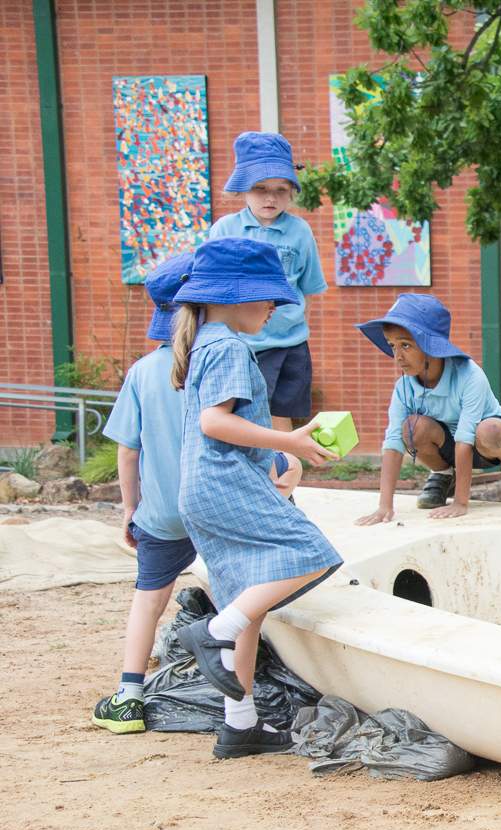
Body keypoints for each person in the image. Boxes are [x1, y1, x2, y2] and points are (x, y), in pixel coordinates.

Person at [91, 253, 301, 735]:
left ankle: (129, 694)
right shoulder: (216, 356)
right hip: (220, 502)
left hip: (163, 509)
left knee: (149, 599)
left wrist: (131, 507)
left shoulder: (146, 371)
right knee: (243, 602)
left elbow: (128, 450)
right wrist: (284, 461)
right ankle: (240, 712)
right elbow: (236, 431)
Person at [167, 238, 343, 759]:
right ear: (236, 297)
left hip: (202, 486)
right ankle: (214, 631)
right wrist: (289, 441)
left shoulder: (203, 342)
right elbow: (215, 422)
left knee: (249, 599)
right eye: (268, 298)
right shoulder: (228, 347)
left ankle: (239, 723)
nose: (274, 307)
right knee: (312, 553)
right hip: (222, 483)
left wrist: (272, 463)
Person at [353, 294, 501, 521]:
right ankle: (442, 475)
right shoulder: (403, 388)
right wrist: (384, 506)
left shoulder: (469, 375)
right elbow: (393, 443)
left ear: (430, 346)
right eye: (392, 346)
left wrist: (461, 503)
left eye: (406, 345)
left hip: (484, 443)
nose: (397, 356)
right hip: (447, 446)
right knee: (411, 427)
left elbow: (465, 437)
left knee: (490, 431)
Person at [208, 132, 327, 433]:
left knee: (281, 417)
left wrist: (291, 326)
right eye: (260, 188)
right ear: (243, 189)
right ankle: (251, 478)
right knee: (243, 418)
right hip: (241, 344)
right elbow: (210, 290)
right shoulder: (226, 229)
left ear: (291, 191)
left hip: (290, 344)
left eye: (280, 189)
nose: (270, 197)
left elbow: (309, 289)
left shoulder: (300, 232)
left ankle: (284, 477)